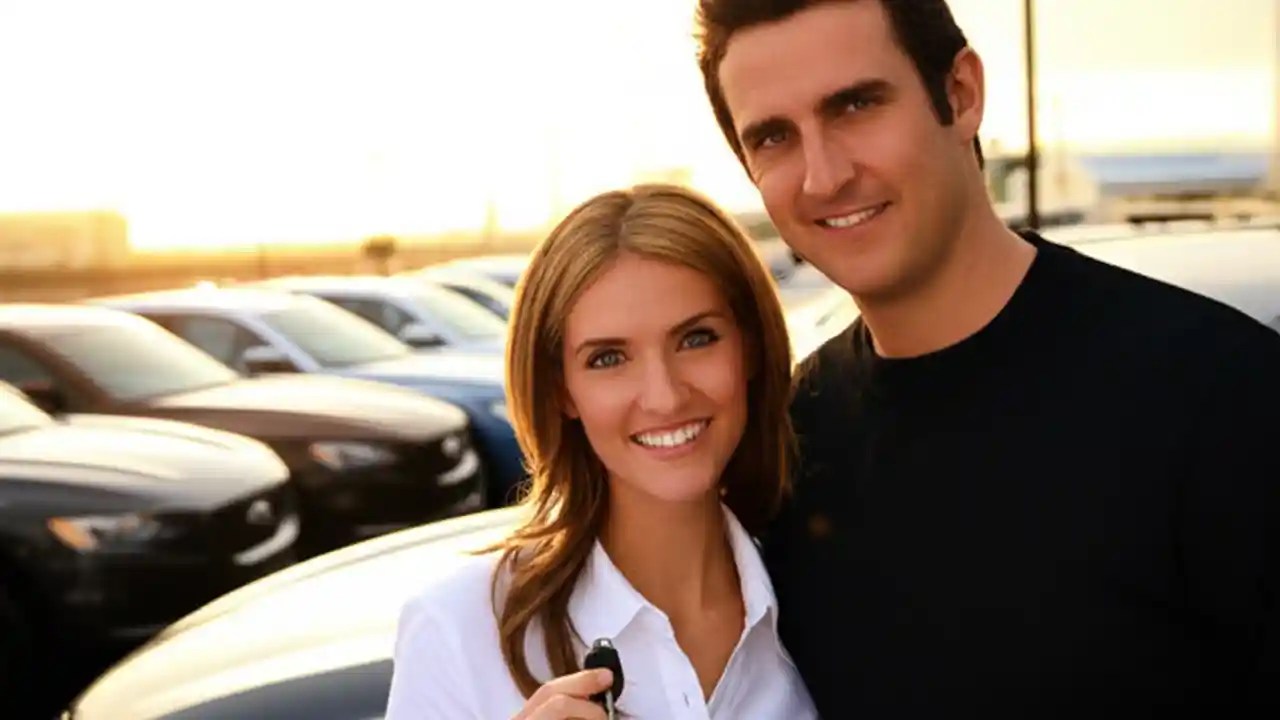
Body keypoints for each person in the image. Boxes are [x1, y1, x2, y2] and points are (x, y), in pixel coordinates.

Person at [694, 0, 1280, 716]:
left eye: (855, 104)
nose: (823, 176)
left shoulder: (1223, 397)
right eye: (774, 137)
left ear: (962, 93)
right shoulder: (784, 442)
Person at [384, 184, 818, 719]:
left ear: (750, 347)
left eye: (697, 339)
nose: (664, 396)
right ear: (561, 389)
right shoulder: (458, 629)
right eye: (608, 358)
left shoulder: (824, 601)